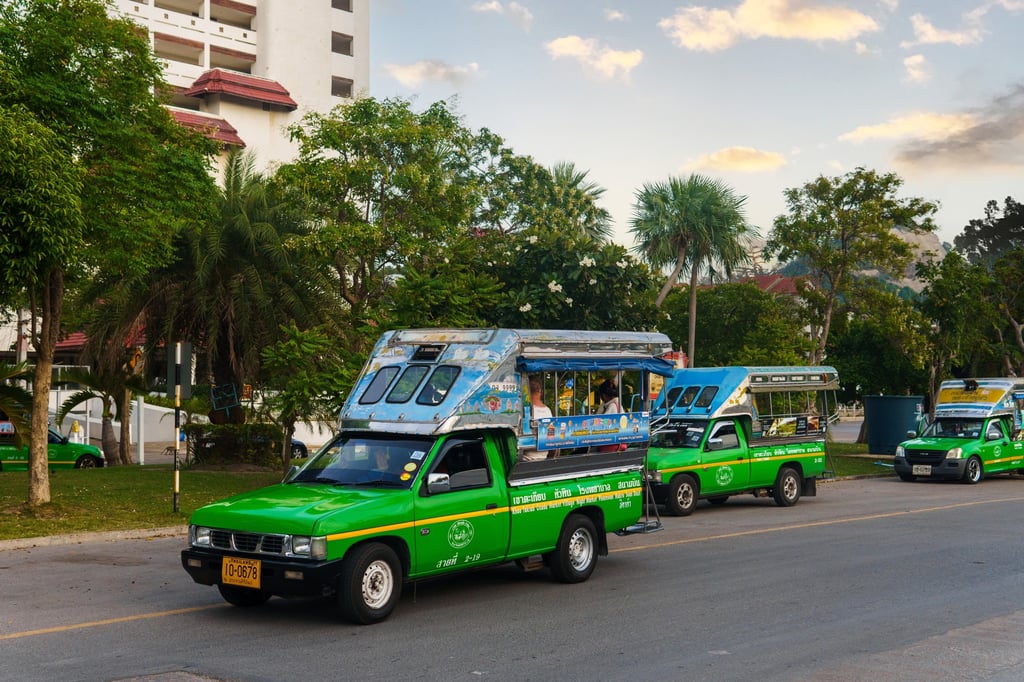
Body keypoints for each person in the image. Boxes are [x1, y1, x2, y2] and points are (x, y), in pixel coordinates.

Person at [522, 374, 552, 462]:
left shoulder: (525, 411)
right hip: (543, 457)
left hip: (525, 459)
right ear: (541, 391)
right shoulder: (547, 411)